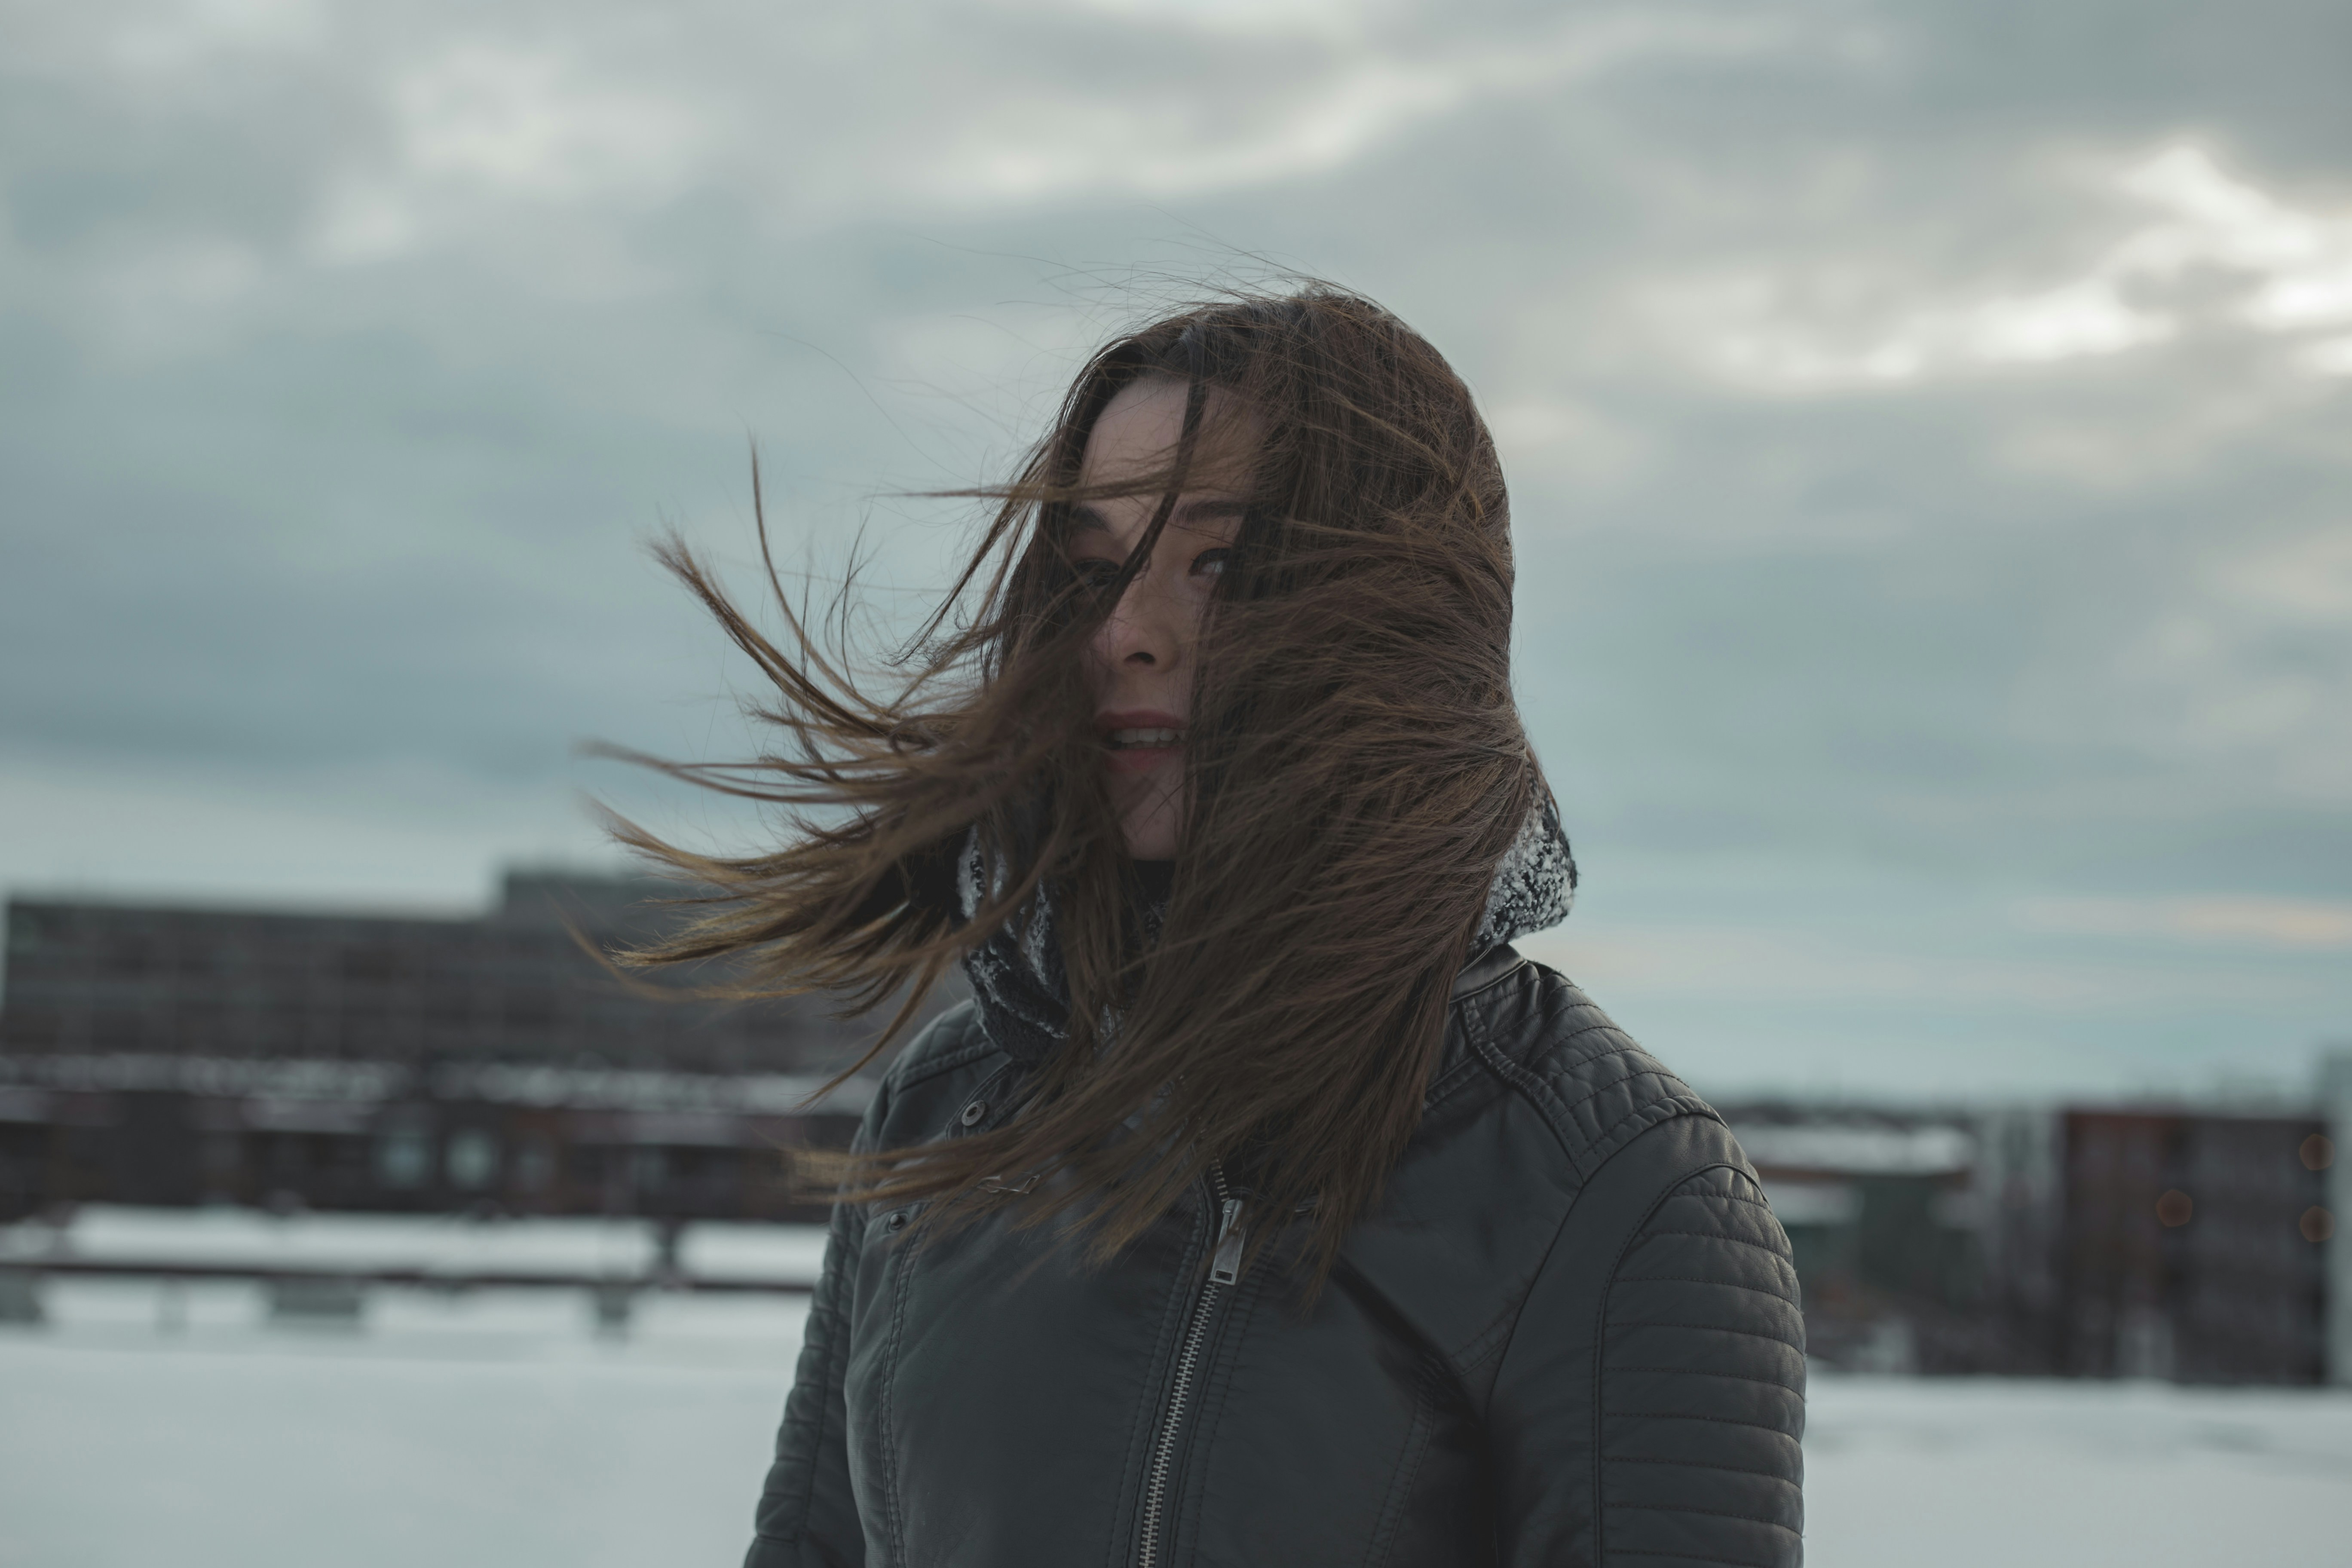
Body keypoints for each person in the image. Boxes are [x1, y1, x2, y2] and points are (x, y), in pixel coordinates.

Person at [616, 288, 1804, 1567]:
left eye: (1222, 566)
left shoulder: (1620, 1196)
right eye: (1091, 572)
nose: (1127, 636)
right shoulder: (945, 1106)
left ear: (1409, 623)